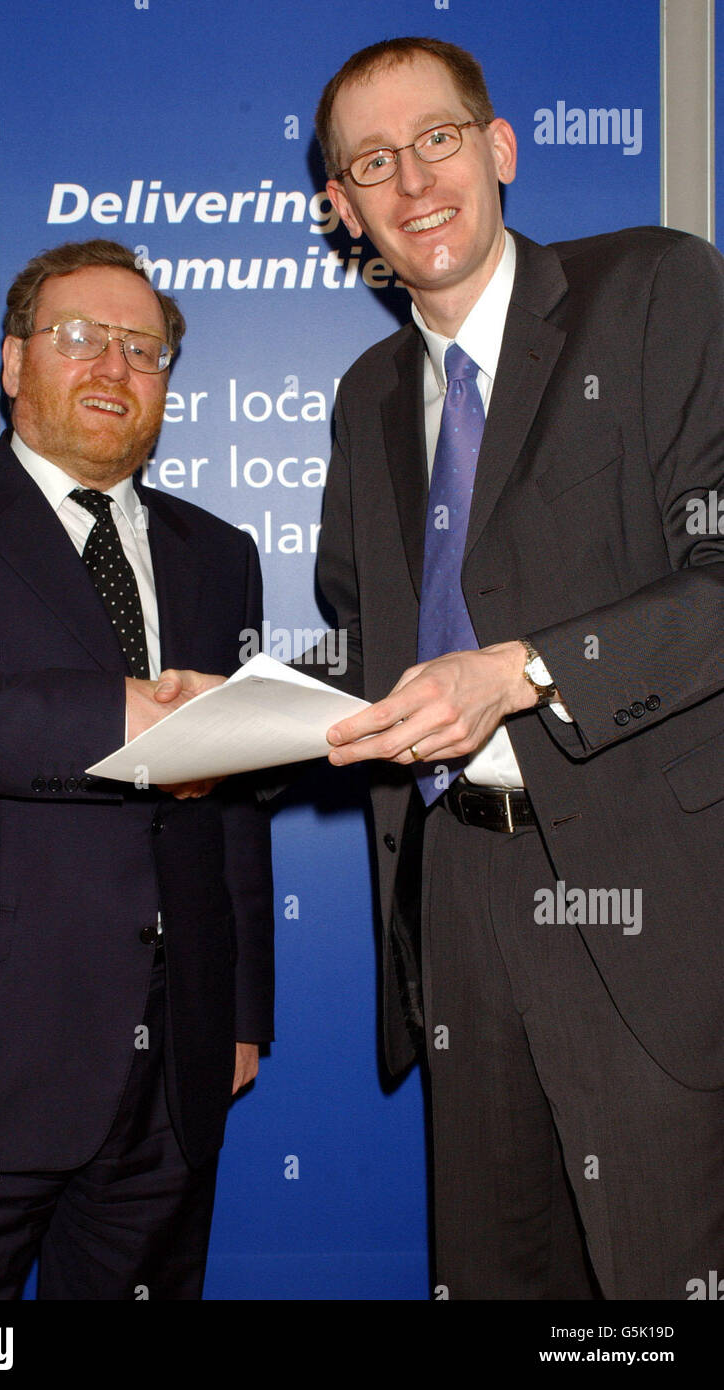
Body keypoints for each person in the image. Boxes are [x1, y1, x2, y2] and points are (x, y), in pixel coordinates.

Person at [304, 37, 722, 1299]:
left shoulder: (652, 286)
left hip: (642, 895)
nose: (412, 182)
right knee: (496, 1276)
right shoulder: (366, 392)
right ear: (341, 210)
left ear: (499, 149)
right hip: (458, 895)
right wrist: (232, 710)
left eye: (436, 139)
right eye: (371, 162)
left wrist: (528, 667)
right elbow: (364, 637)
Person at [0, 238, 274, 1300]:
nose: (115, 368)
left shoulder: (216, 552)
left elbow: (229, 798)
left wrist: (236, 1009)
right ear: (13, 364)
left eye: (145, 350)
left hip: (168, 1077)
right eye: (81, 337)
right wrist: (114, 712)